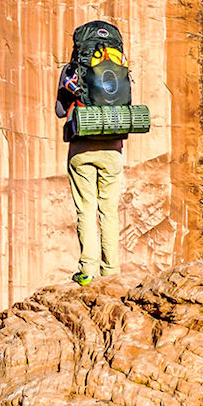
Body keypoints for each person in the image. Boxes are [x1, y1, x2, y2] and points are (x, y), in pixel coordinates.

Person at [55, 34, 125, 286]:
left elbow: (60, 111)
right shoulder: (119, 67)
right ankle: (111, 270)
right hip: (112, 146)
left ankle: (87, 270)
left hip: (82, 146)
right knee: (109, 210)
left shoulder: (71, 70)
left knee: (86, 208)